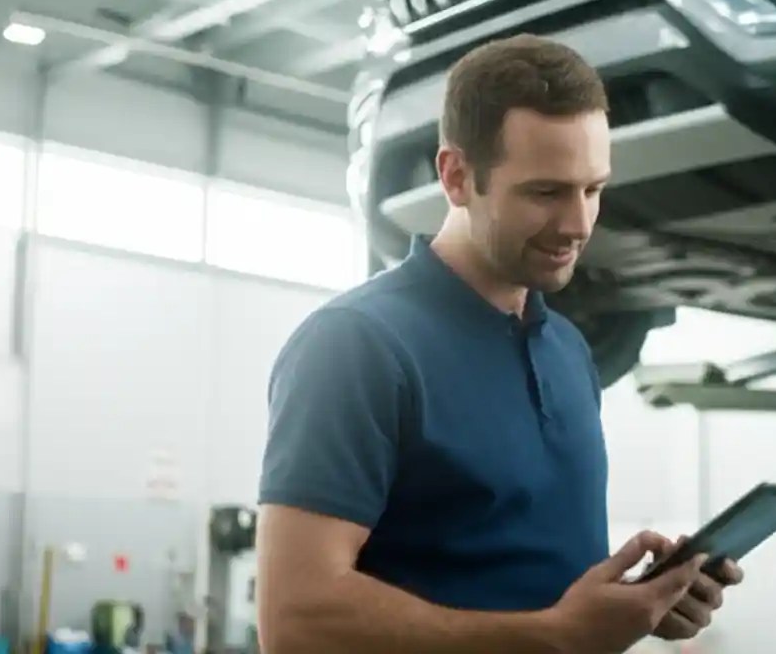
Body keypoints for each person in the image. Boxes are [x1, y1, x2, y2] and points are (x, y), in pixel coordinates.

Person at [254, 33, 744, 654]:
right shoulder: (356, 346)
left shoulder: (568, 351)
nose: (577, 225)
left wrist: (642, 605)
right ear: (456, 176)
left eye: (592, 190)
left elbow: (551, 600)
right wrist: (554, 637)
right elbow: (295, 620)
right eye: (545, 192)